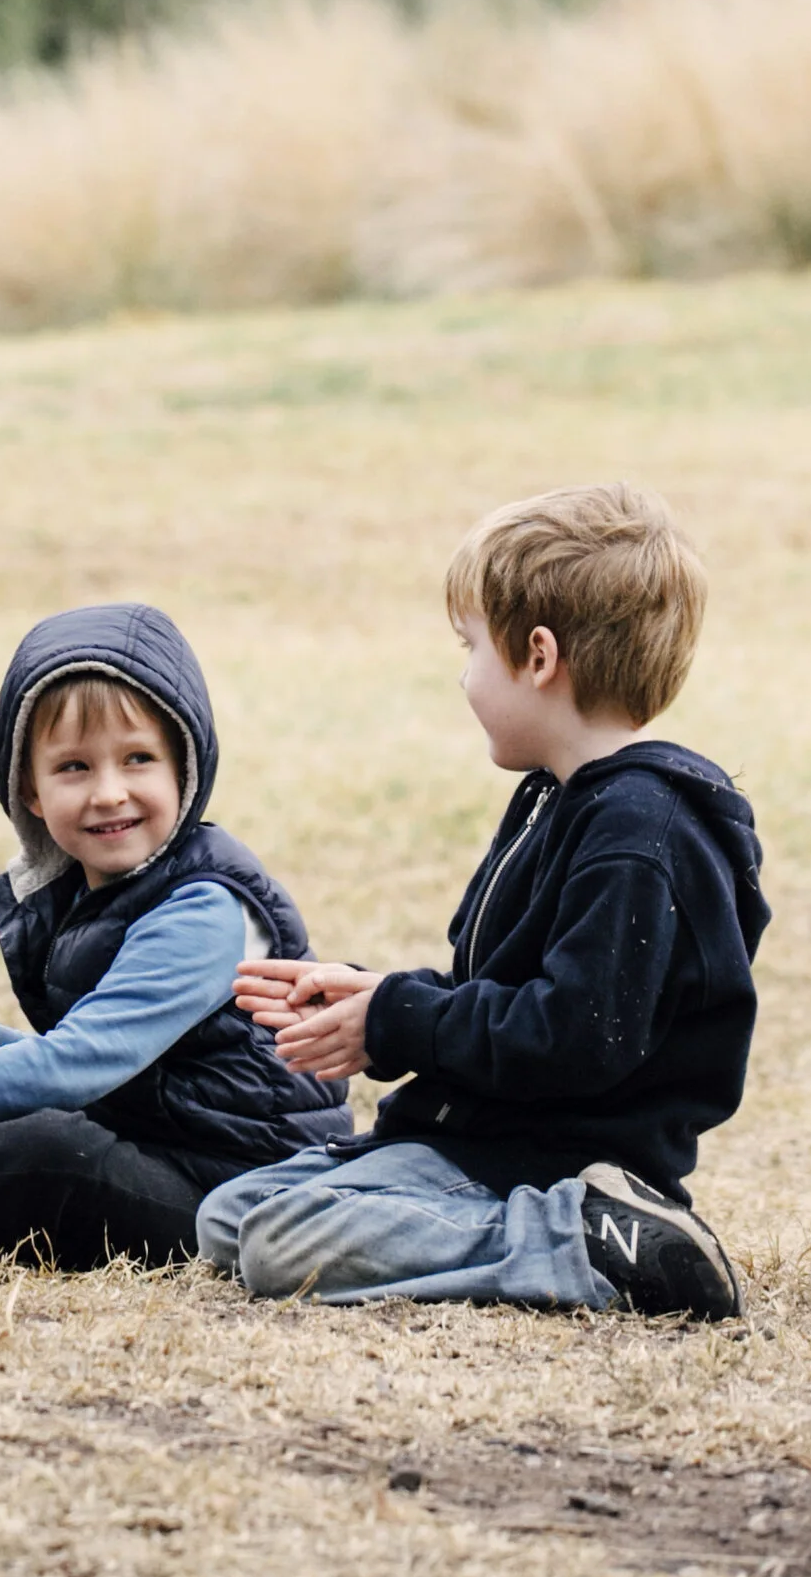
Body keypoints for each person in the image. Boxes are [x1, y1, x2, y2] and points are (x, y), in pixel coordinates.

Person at [201, 482, 768, 1320]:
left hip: (553, 1159)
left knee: (282, 1242)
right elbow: (509, 995)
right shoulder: (565, 798)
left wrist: (399, 1020)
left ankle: (591, 1242)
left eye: (468, 647)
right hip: (486, 1138)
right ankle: (509, 1224)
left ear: (537, 657)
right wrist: (377, 999)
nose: (462, 676)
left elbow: (574, 1038)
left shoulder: (640, 833)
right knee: (230, 1217)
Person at [0, 602, 355, 1267]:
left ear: (185, 768)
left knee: (52, 1154)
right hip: (166, 1147)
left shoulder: (205, 909)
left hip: (237, 1190)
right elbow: (114, 1068)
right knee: (48, 1134)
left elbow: (77, 1066)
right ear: (27, 790)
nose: (110, 792)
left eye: (139, 758)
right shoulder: (95, 895)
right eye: (73, 767)